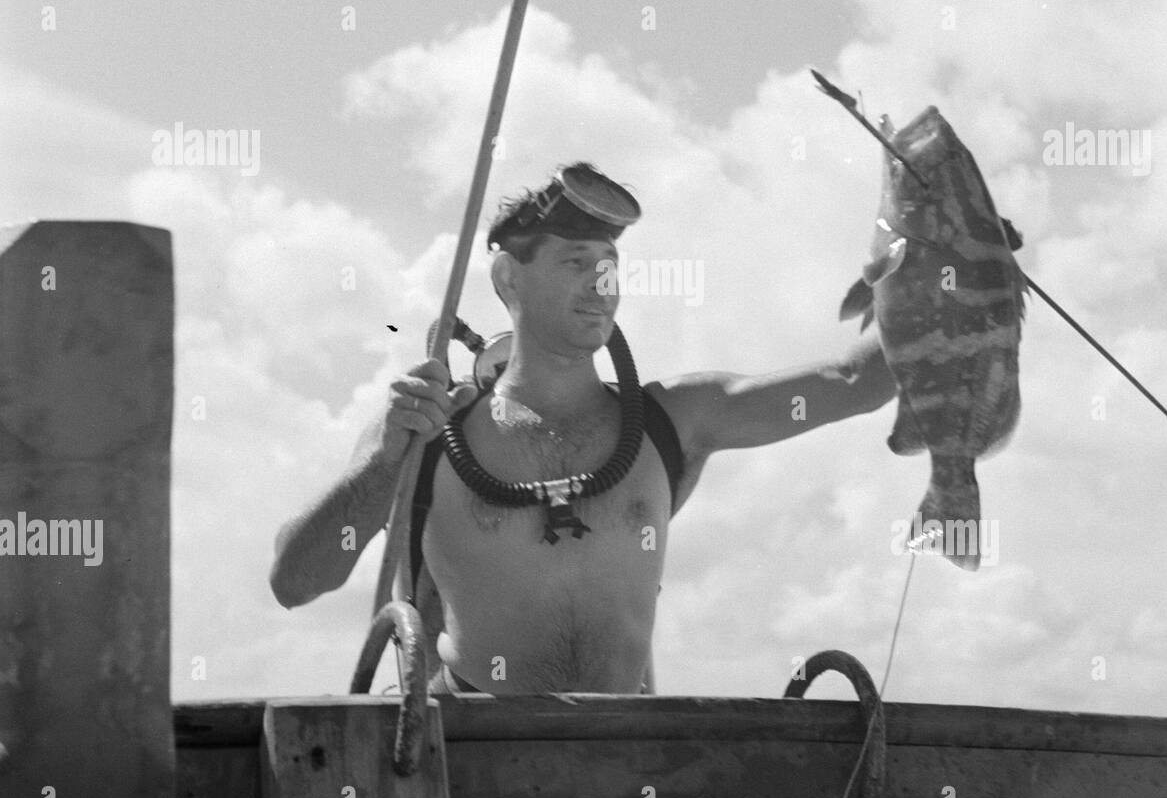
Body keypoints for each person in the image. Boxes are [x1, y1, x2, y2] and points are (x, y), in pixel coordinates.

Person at [271, 163, 897, 695]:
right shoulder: (426, 426)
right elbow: (295, 583)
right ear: (509, 278)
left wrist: (929, 268)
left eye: (609, 265)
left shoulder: (675, 420)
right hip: (469, 764)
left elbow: (857, 383)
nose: (601, 287)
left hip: (626, 759)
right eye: (576, 263)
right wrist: (382, 467)